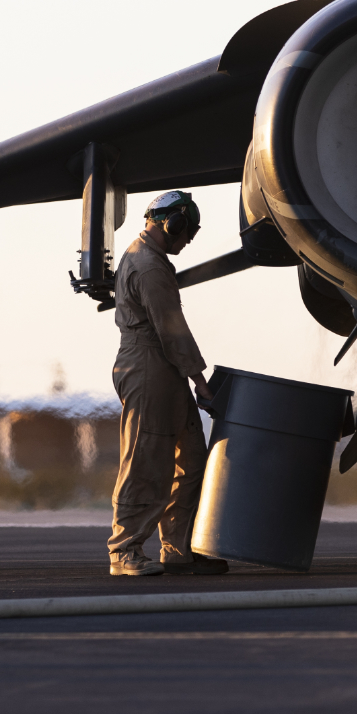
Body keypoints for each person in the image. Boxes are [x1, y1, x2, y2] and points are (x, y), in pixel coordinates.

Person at [108, 190, 227, 577]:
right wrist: (201, 381)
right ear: (172, 224)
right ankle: (124, 551)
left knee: (192, 459)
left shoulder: (150, 258)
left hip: (164, 367)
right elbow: (171, 330)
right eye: (186, 232)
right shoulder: (149, 267)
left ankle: (177, 548)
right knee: (146, 461)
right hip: (148, 367)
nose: (187, 241)